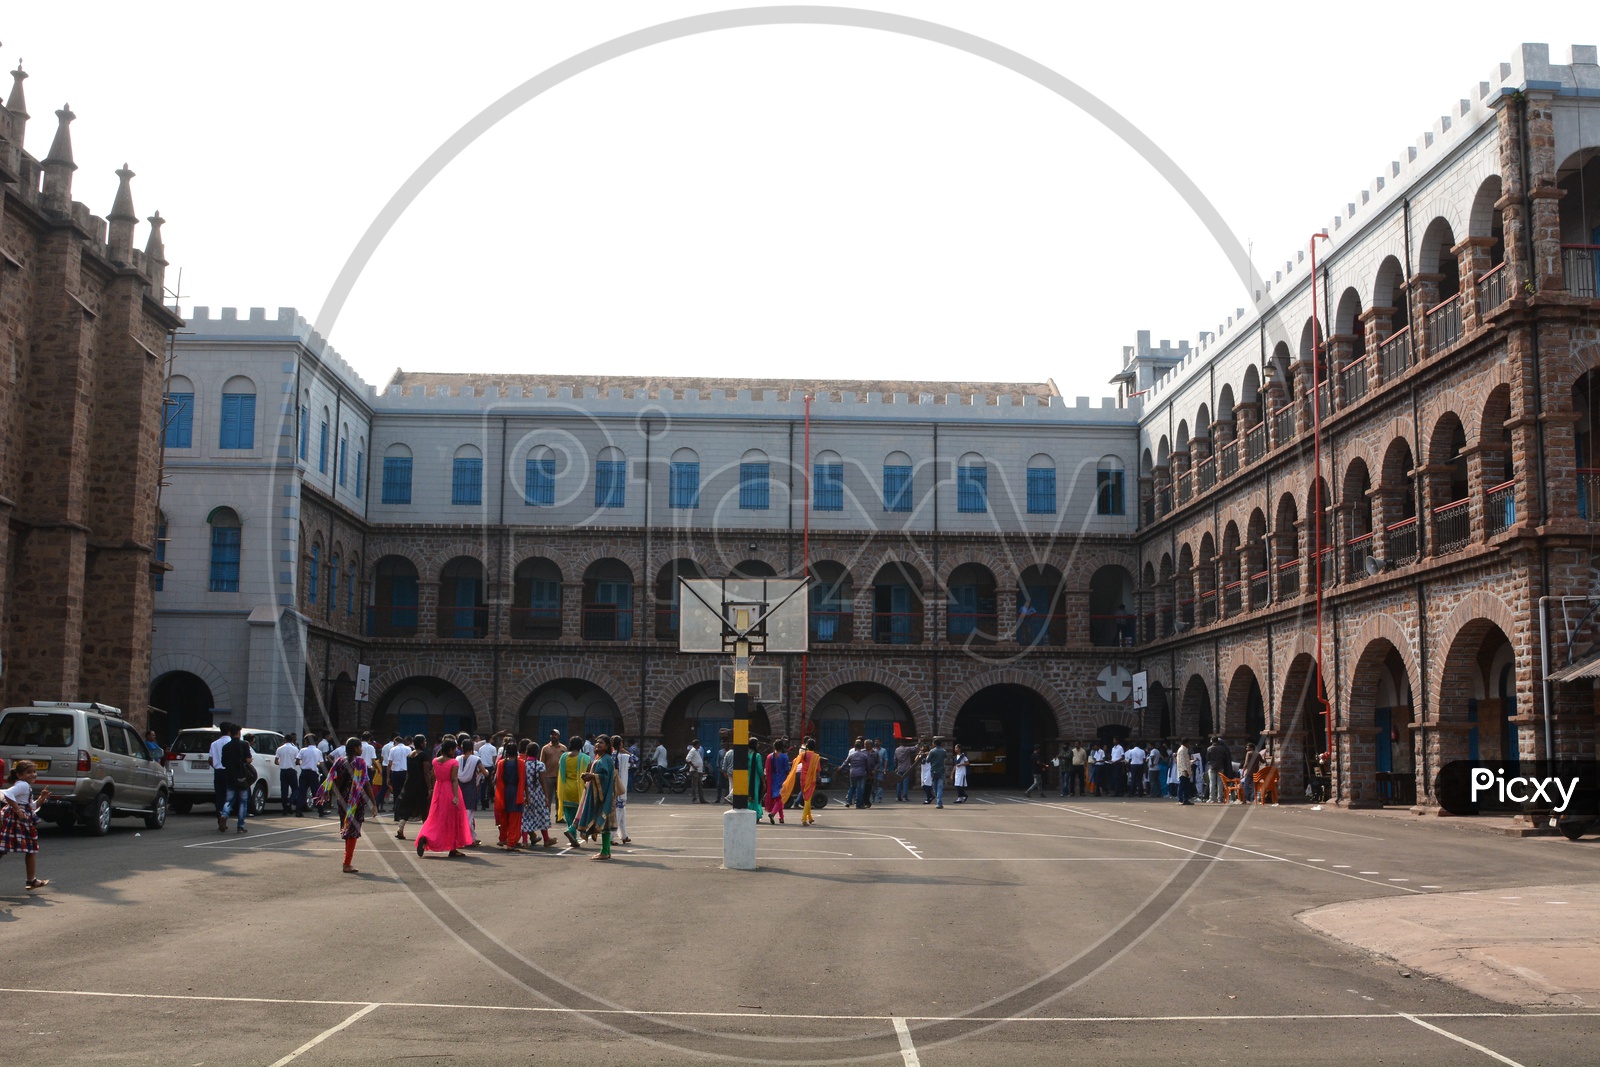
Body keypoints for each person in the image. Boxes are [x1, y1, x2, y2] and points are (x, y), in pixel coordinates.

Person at [316, 738, 378, 874]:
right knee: (353, 832)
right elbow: (366, 784)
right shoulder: (360, 763)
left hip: (343, 801)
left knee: (347, 830)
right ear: (355, 748)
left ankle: (347, 860)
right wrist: (373, 803)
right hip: (356, 802)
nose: (362, 749)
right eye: (360, 747)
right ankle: (347, 863)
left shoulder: (339, 761)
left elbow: (331, 779)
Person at [415, 737, 473, 858]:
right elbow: (454, 780)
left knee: (435, 817)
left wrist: (432, 789)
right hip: (449, 790)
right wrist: (456, 796)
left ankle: (426, 837)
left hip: (439, 789)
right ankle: (453, 848)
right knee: (453, 819)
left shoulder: (435, 761)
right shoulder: (453, 762)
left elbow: (434, 776)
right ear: (450, 750)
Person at [1, 760, 49, 891]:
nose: (33, 775)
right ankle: (31, 880)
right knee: (31, 848)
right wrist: (17, 810)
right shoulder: (23, 785)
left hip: (18, 818)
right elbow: (8, 794)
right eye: (29, 772)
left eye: (34, 772)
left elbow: (31, 806)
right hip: (16, 819)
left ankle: (31, 880)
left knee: (4, 848)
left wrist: (42, 798)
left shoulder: (24, 785)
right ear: (19, 774)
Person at [574, 735, 618, 860]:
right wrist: (590, 775)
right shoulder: (599, 758)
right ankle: (606, 850)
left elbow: (605, 777)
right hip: (597, 794)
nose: (598, 744)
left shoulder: (606, 759)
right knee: (604, 824)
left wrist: (592, 776)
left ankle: (604, 852)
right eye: (597, 742)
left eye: (601, 742)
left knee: (604, 823)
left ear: (607, 746)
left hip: (602, 795)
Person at [393, 734, 432, 840]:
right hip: (420, 784)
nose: (425, 743)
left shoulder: (410, 755)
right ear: (421, 743)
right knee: (424, 807)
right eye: (424, 741)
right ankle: (426, 832)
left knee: (408, 806)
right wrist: (429, 787)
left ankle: (400, 828)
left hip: (409, 783)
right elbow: (426, 772)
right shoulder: (423, 756)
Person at [217, 724, 254, 834]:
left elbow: (223, 763)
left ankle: (224, 815)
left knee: (229, 800)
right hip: (242, 776)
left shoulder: (226, 747)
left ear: (230, 733)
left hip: (229, 776)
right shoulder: (244, 744)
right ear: (239, 733)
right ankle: (240, 826)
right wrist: (247, 760)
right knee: (243, 801)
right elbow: (248, 759)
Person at [558, 735, 592, 848]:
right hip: (579, 789)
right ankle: (571, 830)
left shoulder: (563, 757)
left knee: (569, 815)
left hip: (565, 788)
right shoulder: (585, 758)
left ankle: (573, 839)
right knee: (580, 814)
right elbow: (588, 774)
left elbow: (560, 772)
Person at [520, 740, 555, 848]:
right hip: (538, 794)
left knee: (525, 817)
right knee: (542, 815)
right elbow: (543, 781)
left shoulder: (523, 764)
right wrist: (546, 796)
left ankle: (524, 841)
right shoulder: (540, 765)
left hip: (526, 794)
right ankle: (546, 839)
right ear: (537, 753)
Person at [493, 738, 525, 850]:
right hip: (516, 792)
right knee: (515, 819)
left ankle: (503, 838)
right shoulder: (521, 763)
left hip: (504, 792)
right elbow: (523, 781)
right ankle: (511, 842)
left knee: (505, 817)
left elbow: (498, 780)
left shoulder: (501, 763)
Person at [456, 736, 484, 845]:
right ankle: (468, 838)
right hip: (470, 790)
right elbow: (485, 772)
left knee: (461, 815)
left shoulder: (457, 759)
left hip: (459, 789)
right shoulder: (476, 759)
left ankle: (468, 837)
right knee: (469, 816)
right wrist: (482, 773)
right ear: (471, 748)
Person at [611, 734, 633, 845]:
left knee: (622, 812)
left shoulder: (610, 756)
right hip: (620, 787)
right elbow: (635, 760)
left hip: (613, 786)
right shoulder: (624, 756)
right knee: (618, 813)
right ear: (620, 744)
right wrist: (627, 752)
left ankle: (624, 835)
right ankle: (610, 837)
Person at [298, 733, 326, 817]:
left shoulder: (302, 750)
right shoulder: (318, 751)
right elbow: (321, 763)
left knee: (302, 791)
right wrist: (316, 764)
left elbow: (297, 761)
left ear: (306, 741)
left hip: (304, 772)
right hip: (313, 773)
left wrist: (303, 764)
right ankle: (320, 811)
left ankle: (298, 811)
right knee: (316, 792)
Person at [764, 738, 791, 825]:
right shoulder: (784, 756)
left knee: (778, 798)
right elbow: (787, 769)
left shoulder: (770, 756)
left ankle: (781, 817)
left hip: (773, 779)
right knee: (780, 798)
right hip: (782, 778)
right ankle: (772, 813)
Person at [275, 732, 301, 816]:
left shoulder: (279, 749)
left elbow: (276, 761)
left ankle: (284, 810)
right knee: (295, 789)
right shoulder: (295, 749)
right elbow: (297, 761)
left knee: (284, 790)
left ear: (285, 740)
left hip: (283, 771)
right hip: (291, 770)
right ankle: (289, 802)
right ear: (292, 740)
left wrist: (282, 763)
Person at [208, 724, 231, 815]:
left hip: (218, 771)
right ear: (229, 731)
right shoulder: (231, 742)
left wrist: (216, 766)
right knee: (229, 793)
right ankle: (226, 812)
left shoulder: (214, 744)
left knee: (219, 793)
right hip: (228, 771)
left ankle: (219, 810)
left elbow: (210, 760)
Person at [386, 736, 412, 816]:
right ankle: (404, 809)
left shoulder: (393, 749)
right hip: (405, 772)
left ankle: (396, 809)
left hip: (396, 772)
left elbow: (390, 764)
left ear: (396, 742)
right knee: (405, 791)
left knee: (396, 792)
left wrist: (388, 777)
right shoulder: (408, 749)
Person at [539, 731, 566, 811]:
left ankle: (559, 815)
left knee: (559, 797)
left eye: (555, 735)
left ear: (559, 736)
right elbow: (542, 763)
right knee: (548, 796)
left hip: (560, 776)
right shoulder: (545, 748)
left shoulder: (563, 748)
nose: (553, 736)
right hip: (548, 776)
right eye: (552, 734)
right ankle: (547, 814)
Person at [1205, 736, 1230, 804]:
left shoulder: (1209, 749)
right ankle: (1220, 798)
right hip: (1220, 766)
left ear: (1212, 741)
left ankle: (1212, 798)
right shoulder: (1222, 748)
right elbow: (1225, 757)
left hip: (1212, 767)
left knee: (1212, 783)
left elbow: (1207, 758)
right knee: (1220, 783)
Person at [926, 737, 948, 809]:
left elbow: (927, 760)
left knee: (935, 787)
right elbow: (945, 757)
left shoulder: (932, 751)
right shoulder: (943, 751)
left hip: (934, 770)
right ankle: (939, 803)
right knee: (940, 787)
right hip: (941, 771)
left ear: (934, 744)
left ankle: (938, 802)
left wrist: (928, 755)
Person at [894, 736, 917, 801]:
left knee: (899, 782)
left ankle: (898, 797)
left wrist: (896, 767)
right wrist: (919, 742)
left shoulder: (896, 750)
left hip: (899, 768)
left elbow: (895, 759)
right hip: (907, 768)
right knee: (905, 783)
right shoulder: (907, 749)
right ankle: (905, 797)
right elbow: (915, 748)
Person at [1175, 738, 1195, 805]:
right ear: (1186, 743)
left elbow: (1186, 761)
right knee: (1182, 786)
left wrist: (1192, 761)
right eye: (1188, 743)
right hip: (1183, 771)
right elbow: (1182, 762)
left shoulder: (1185, 750)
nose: (1189, 745)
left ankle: (1185, 799)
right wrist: (1185, 770)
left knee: (1186, 786)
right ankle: (1181, 799)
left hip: (1186, 770)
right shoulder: (1182, 750)